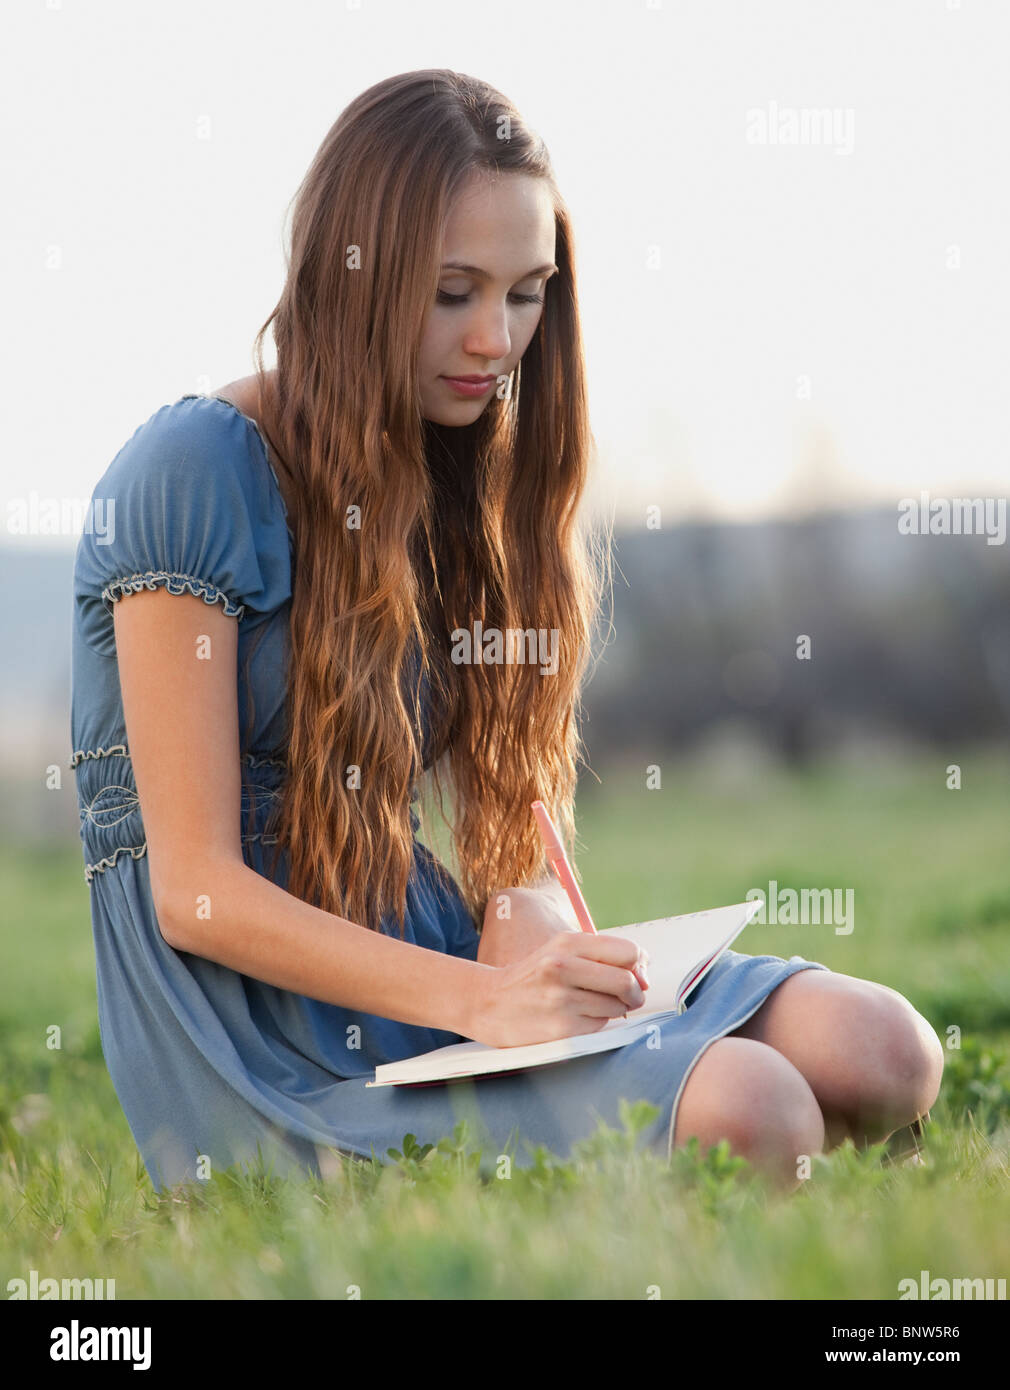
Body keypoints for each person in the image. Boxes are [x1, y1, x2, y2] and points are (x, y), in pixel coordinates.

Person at [69, 69, 943, 1196]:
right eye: (451, 292)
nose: (496, 338)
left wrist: (522, 922)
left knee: (883, 1047)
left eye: (526, 292)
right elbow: (193, 892)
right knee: (755, 1103)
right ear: (353, 276)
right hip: (261, 1037)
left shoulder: (452, 471)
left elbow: (505, 848)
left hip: (439, 966)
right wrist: (485, 1004)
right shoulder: (194, 469)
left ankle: (700, 1152)